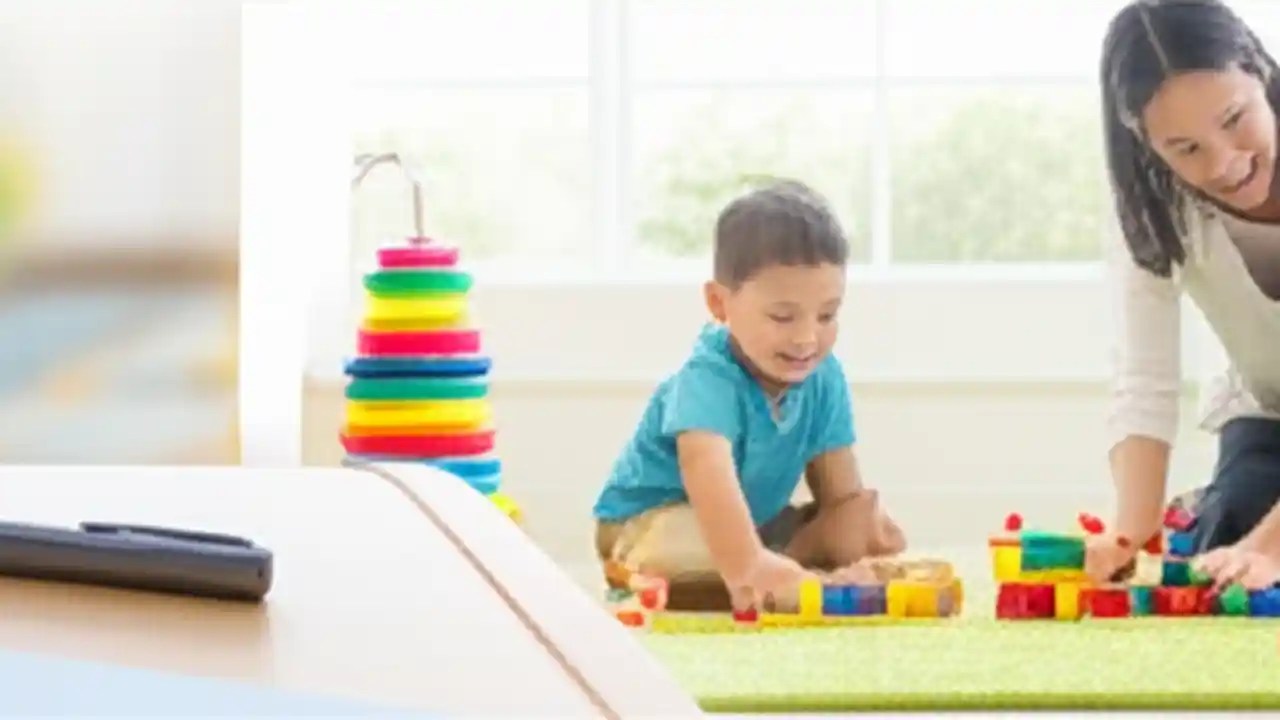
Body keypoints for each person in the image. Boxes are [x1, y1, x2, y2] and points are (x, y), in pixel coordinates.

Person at [592, 179, 906, 612]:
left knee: (865, 519)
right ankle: (759, 571)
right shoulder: (708, 378)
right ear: (719, 304)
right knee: (678, 549)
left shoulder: (824, 377)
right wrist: (748, 563)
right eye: (782, 316)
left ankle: (775, 565)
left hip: (755, 525)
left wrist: (856, 536)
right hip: (652, 521)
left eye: (827, 315)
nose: (806, 338)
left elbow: (841, 495)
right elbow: (706, 472)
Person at [1088, 0, 1280, 591]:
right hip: (1269, 419)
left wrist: (1270, 548)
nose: (1225, 164)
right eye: (1184, 148)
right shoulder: (1151, 209)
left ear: (1262, 76)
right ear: (1147, 145)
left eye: (1233, 119)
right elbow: (1145, 381)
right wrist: (1129, 534)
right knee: (1230, 539)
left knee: (1260, 551)